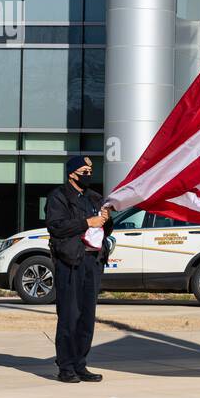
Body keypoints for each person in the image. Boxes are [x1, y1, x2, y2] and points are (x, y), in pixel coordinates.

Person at [45, 155, 114, 384]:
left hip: (92, 262)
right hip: (70, 262)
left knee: (87, 317)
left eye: (90, 170)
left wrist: (106, 218)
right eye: (84, 171)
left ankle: (80, 364)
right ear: (72, 173)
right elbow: (57, 227)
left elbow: (106, 229)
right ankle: (65, 367)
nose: (88, 174)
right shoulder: (59, 197)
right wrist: (87, 222)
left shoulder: (95, 197)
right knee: (69, 315)